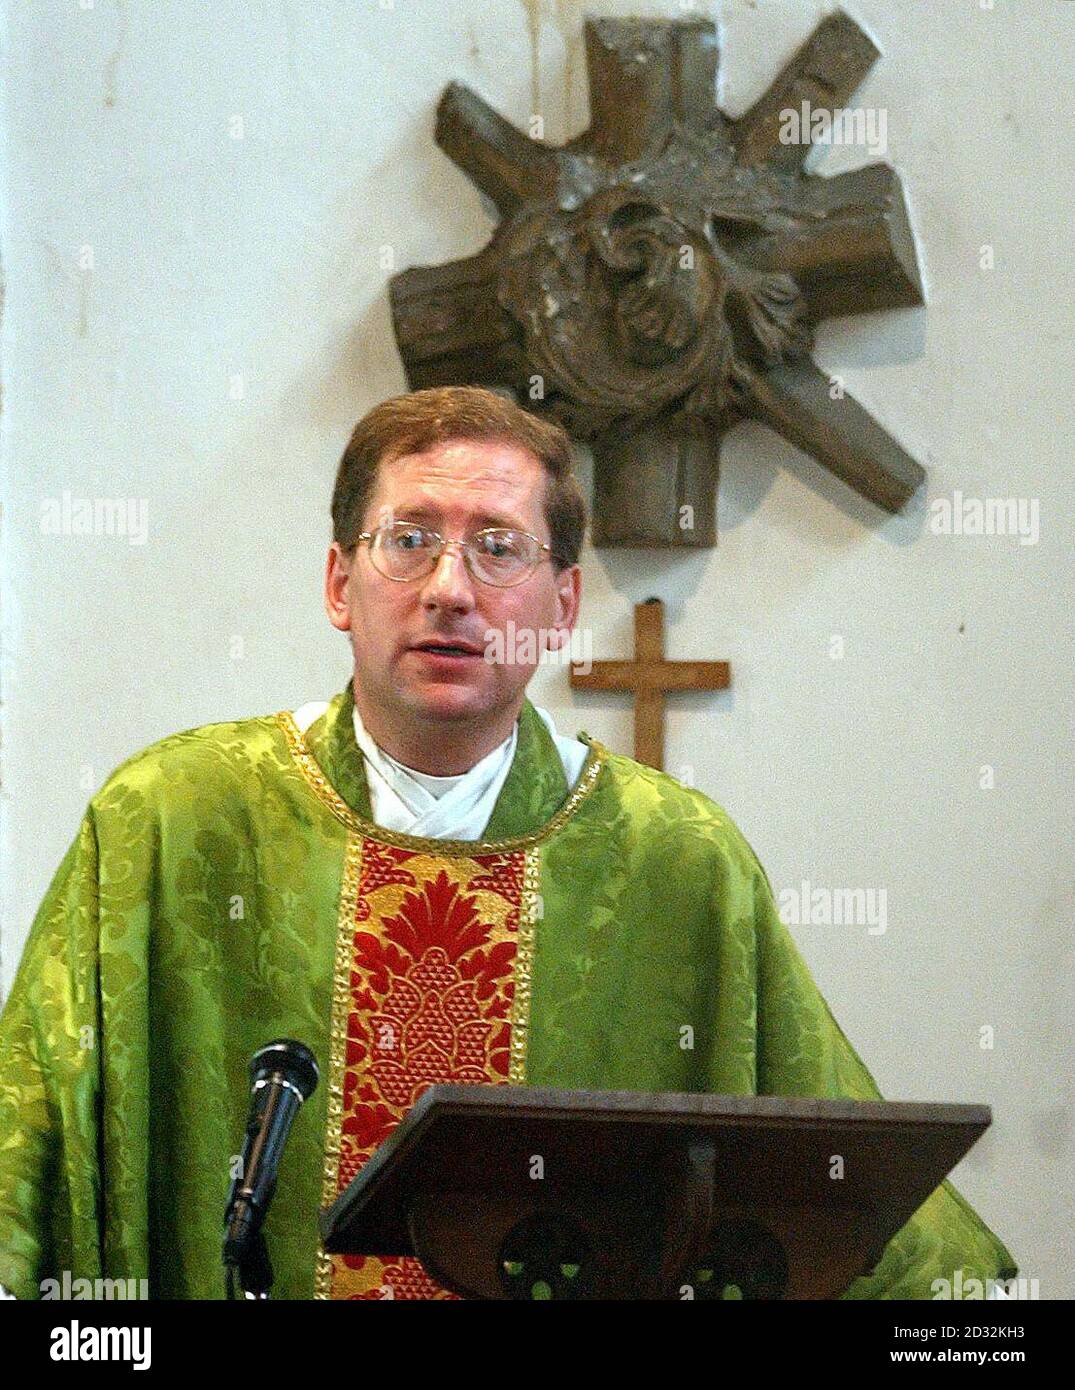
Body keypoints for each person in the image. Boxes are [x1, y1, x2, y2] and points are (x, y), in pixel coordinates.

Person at [0, 386, 1015, 1300]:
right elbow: (26, 1133)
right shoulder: (171, 822)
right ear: (337, 585)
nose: (449, 586)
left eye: (498, 545)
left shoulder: (676, 861)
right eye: (407, 539)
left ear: (561, 606)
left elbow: (845, 1194)